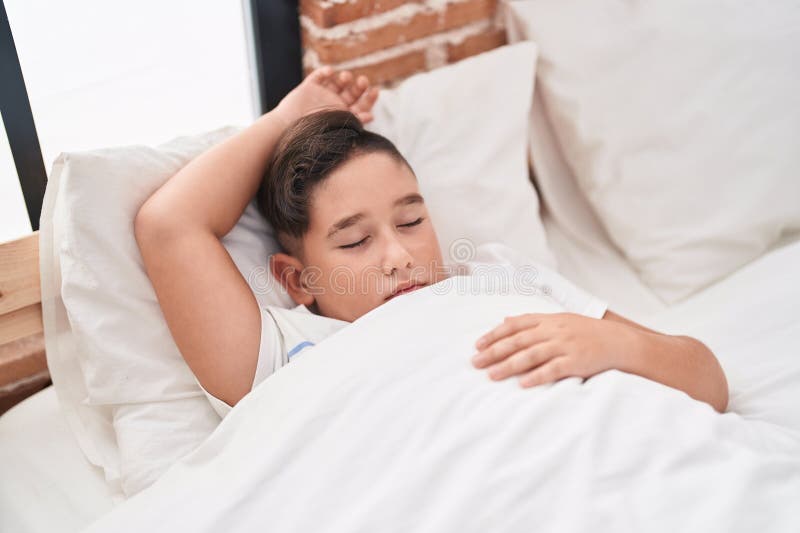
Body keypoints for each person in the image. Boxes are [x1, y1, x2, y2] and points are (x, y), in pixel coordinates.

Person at [134, 65, 728, 418]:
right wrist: (288, 116)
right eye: (355, 241)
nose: (400, 257)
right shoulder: (281, 353)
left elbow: (708, 380)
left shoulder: (499, 281)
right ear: (298, 279)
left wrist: (612, 344)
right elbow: (169, 227)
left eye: (412, 222)